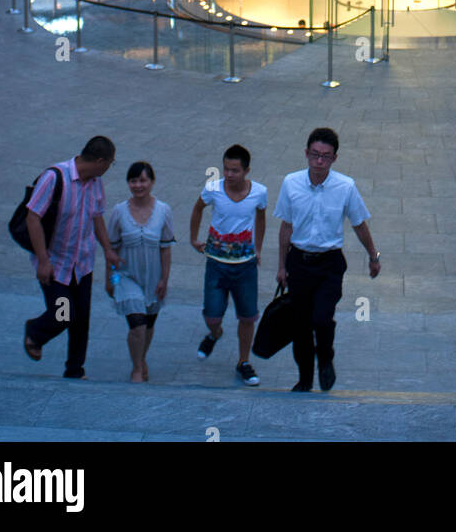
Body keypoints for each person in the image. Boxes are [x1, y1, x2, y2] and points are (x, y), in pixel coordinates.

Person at [275, 127, 380, 392]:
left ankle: (326, 357)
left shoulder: (345, 187)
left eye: (325, 156)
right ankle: (305, 378)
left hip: (329, 263)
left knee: (321, 318)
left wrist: (373, 255)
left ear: (334, 158)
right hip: (298, 261)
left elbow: (359, 224)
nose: (319, 161)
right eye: (314, 155)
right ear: (306, 154)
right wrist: (281, 266)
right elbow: (286, 226)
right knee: (300, 326)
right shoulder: (291, 183)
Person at [23, 136, 119, 379]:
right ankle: (34, 331)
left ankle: (75, 370)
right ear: (100, 161)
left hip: (82, 264)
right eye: (110, 163)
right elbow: (32, 217)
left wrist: (107, 249)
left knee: (81, 320)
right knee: (64, 314)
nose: (109, 168)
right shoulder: (55, 177)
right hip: (55, 265)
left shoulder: (95, 183)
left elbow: (96, 216)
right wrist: (43, 260)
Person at [191, 144, 266, 386]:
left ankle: (243, 361)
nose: (229, 175)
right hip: (216, 263)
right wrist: (194, 238)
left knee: (247, 317)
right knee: (212, 315)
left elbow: (261, 217)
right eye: (226, 169)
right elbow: (197, 209)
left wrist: (258, 248)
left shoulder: (259, 192)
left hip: (245, 265)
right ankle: (215, 333)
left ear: (246, 171)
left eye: (235, 170)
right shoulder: (213, 189)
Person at [106, 161, 175, 383]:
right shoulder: (119, 212)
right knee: (137, 326)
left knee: (149, 324)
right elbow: (112, 249)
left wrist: (164, 279)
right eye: (133, 181)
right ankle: (136, 367)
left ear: (152, 182)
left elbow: (165, 249)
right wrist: (111, 279)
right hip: (127, 277)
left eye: (142, 180)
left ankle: (142, 358)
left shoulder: (163, 210)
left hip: (153, 278)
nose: (138, 185)